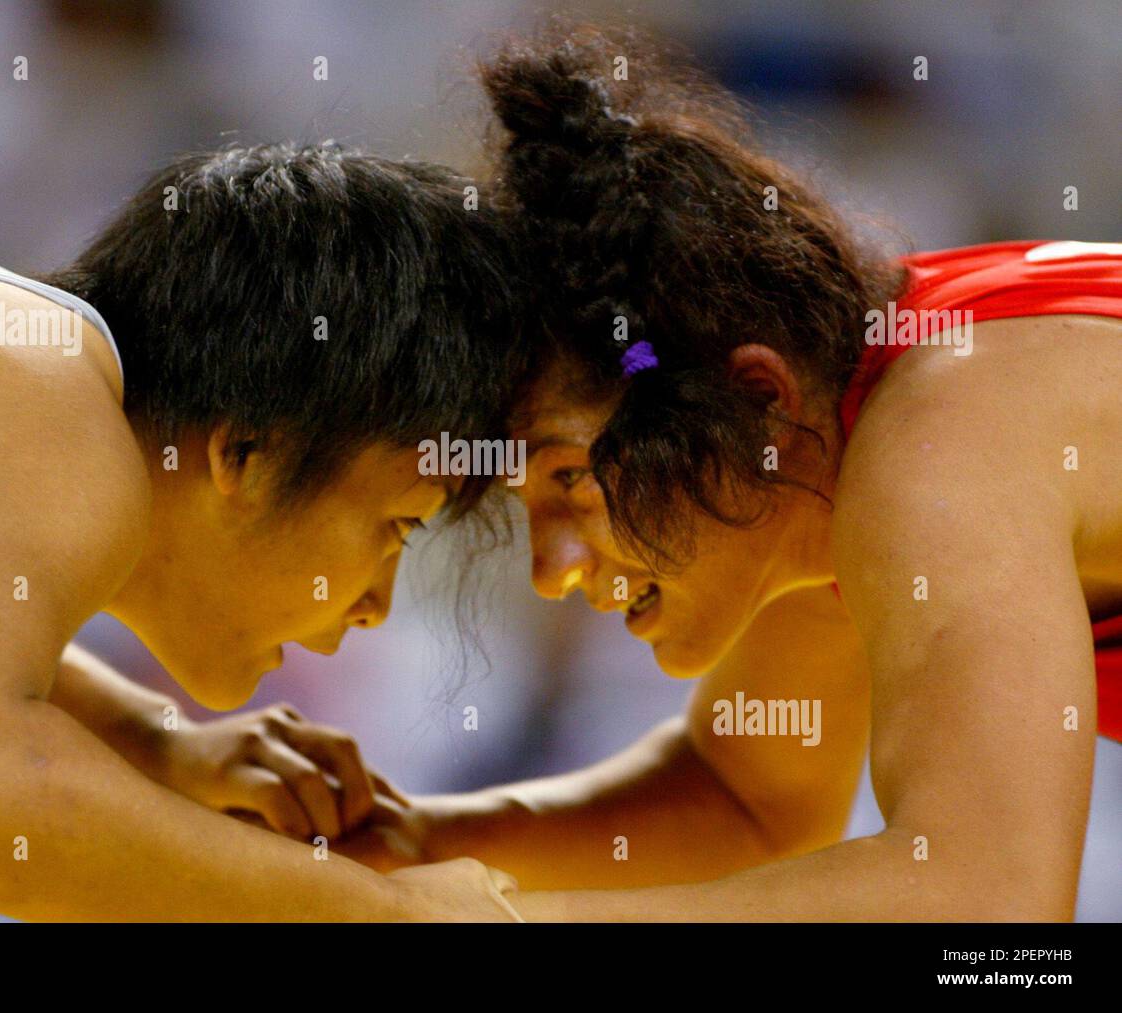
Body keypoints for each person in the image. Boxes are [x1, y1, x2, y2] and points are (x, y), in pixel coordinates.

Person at [337, 30, 1122, 921]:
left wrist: (498, 920)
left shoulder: (937, 452)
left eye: (564, 478)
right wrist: (386, 849)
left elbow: (996, 915)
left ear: (754, 399)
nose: (551, 572)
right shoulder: (835, 439)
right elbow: (745, 804)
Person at [0, 143, 525, 921]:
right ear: (249, 452)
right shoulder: (56, 421)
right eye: (398, 526)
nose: (375, 606)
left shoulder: (23, 383)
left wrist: (158, 745)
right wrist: (380, 912)